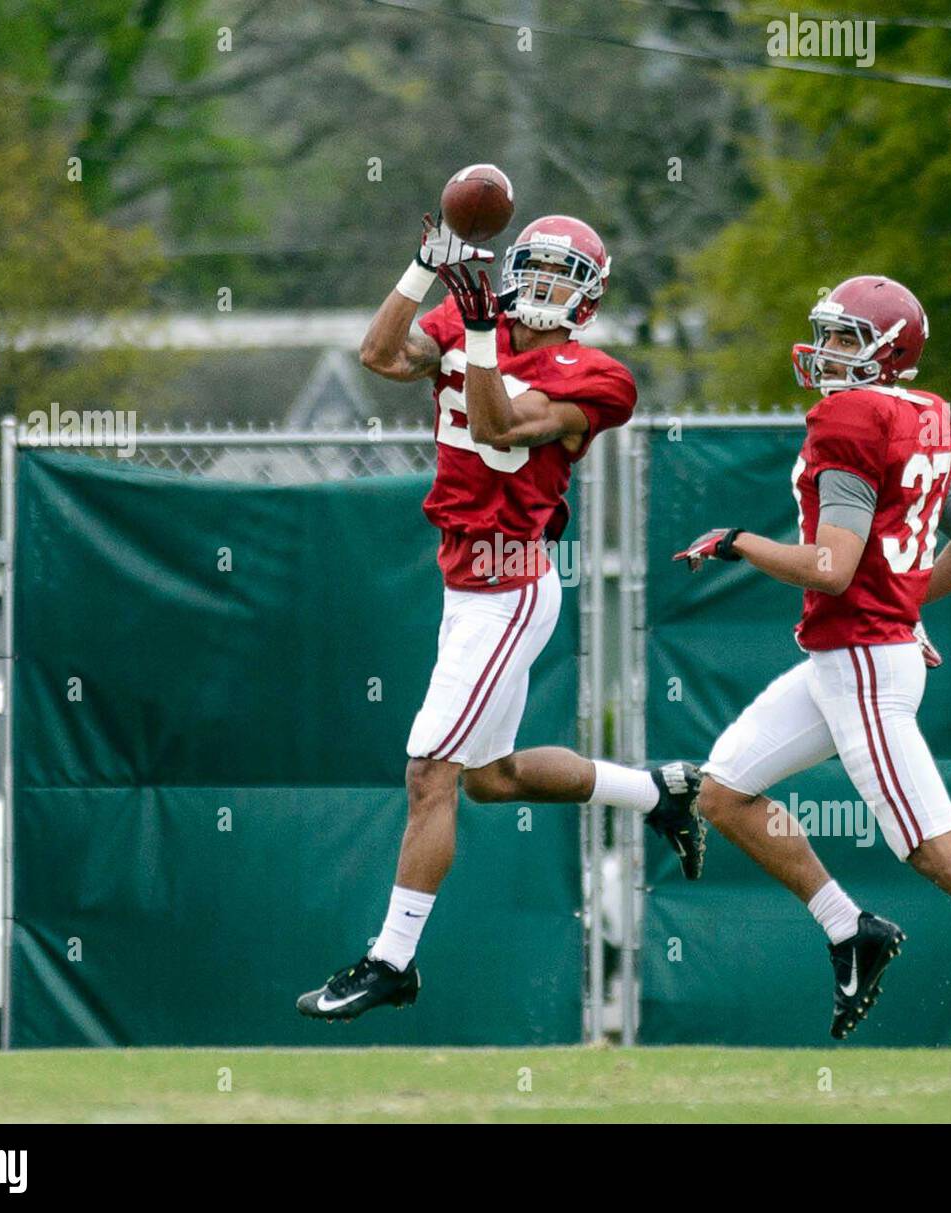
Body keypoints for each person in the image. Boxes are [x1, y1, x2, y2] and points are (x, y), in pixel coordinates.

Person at [674, 275, 951, 1048]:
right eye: (829, 332)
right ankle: (852, 930)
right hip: (849, 656)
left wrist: (738, 540)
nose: (826, 350)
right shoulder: (921, 415)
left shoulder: (850, 417)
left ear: (887, 351)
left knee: (934, 848)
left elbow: (830, 567)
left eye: (845, 337)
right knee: (723, 793)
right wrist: (904, 606)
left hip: (864, 664)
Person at [297, 211, 704, 1022]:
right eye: (536, 266)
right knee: (490, 776)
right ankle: (657, 791)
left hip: (512, 583)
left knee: (428, 772)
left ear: (587, 297)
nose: (542, 285)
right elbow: (380, 354)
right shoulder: (463, 318)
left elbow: (498, 425)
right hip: (464, 582)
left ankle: (391, 960)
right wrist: (421, 268)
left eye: (563, 274)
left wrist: (478, 339)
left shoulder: (600, 377)